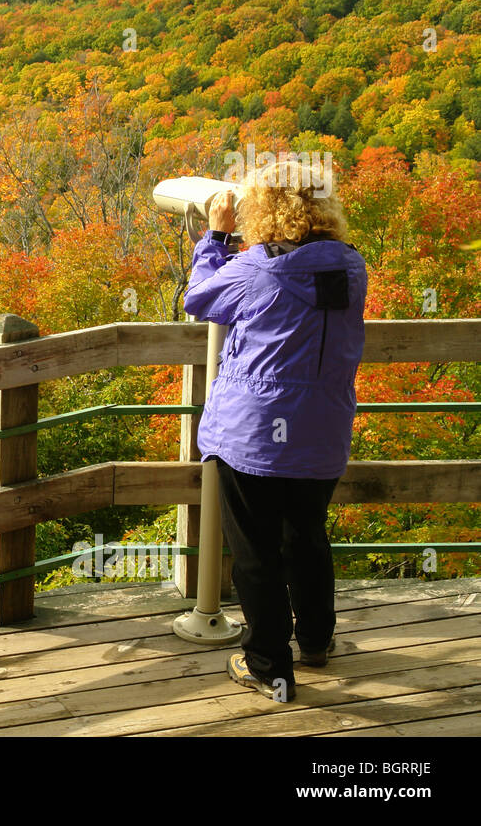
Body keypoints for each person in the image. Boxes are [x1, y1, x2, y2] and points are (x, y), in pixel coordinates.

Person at [183, 158, 367, 702]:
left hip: (255, 437)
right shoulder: (352, 267)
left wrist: (215, 235)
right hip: (322, 432)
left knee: (257, 553)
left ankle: (269, 666)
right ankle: (315, 641)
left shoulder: (257, 269)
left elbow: (199, 301)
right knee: (306, 536)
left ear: (260, 209)